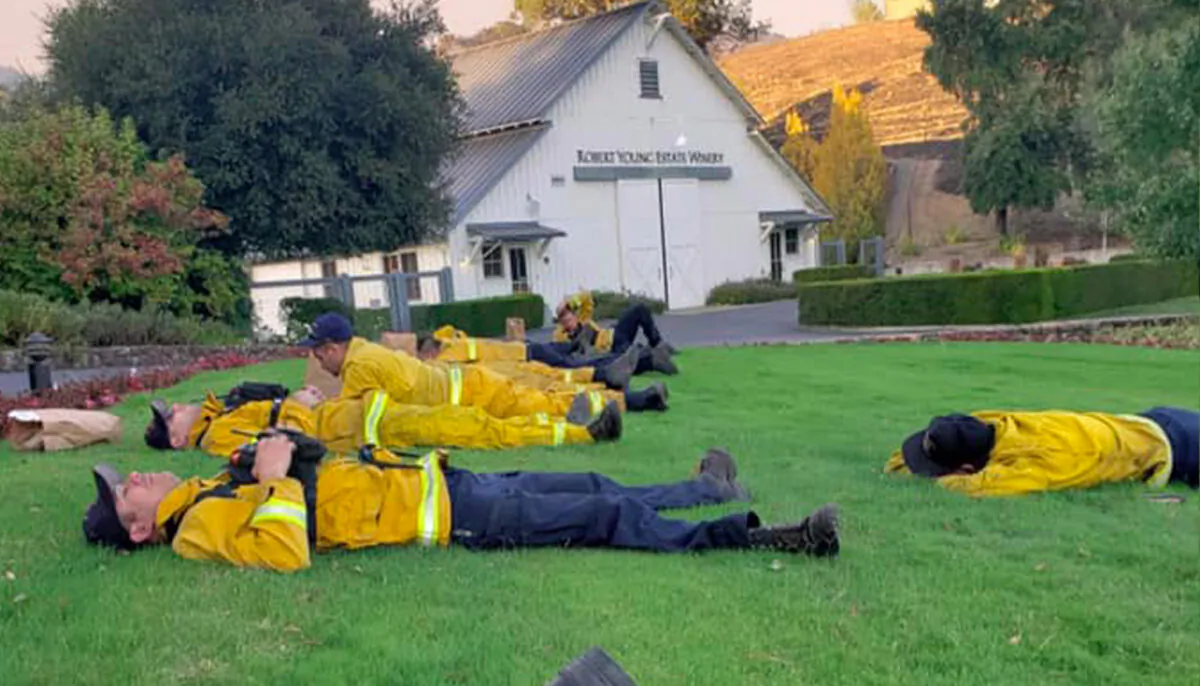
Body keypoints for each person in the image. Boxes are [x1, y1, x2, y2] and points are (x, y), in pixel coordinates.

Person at [83, 438, 842, 571]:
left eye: (126, 480)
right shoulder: (195, 529)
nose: (134, 482)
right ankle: (759, 536)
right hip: (457, 519)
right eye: (125, 497)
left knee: (593, 488)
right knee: (603, 518)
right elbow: (284, 550)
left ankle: (707, 487)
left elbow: (309, 482)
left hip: (444, 482)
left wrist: (275, 455)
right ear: (141, 530)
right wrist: (279, 478)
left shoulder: (208, 488)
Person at [303, 313, 651, 423]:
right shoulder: (366, 351)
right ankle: (618, 389)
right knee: (546, 389)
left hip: (473, 392)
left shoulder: (358, 367)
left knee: (544, 401)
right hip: (473, 381)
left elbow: (350, 415)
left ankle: (627, 399)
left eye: (319, 354)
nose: (318, 361)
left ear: (332, 347)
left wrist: (311, 408)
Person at [143, 383, 623, 457]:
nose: (176, 408)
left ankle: (564, 418)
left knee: (468, 416)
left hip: (365, 414)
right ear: (178, 438)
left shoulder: (219, 414)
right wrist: (300, 406)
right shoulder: (215, 437)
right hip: (367, 429)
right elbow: (279, 441)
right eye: (171, 418)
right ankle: (581, 432)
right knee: (474, 428)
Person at [886, 407, 1199, 496]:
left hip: (1180, 450)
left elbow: (981, 486)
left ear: (967, 467)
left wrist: (930, 478)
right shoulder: (995, 422)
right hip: (1151, 419)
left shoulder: (1037, 461)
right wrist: (902, 465)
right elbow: (902, 457)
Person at [422, 326, 676, 387]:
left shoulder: (448, 352)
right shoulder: (455, 341)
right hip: (526, 351)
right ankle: (647, 359)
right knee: (578, 362)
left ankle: (645, 361)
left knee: (578, 365)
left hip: (526, 356)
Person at [548, 291, 677, 373]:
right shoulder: (559, 335)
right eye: (563, 319)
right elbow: (562, 353)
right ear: (559, 321)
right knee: (623, 361)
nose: (567, 321)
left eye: (569, 317)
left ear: (574, 315)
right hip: (611, 350)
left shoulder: (583, 319)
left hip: (614, 334)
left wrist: (570, 302)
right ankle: (651, 358)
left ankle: (657, 344)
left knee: (639, 309)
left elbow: (587, 298)